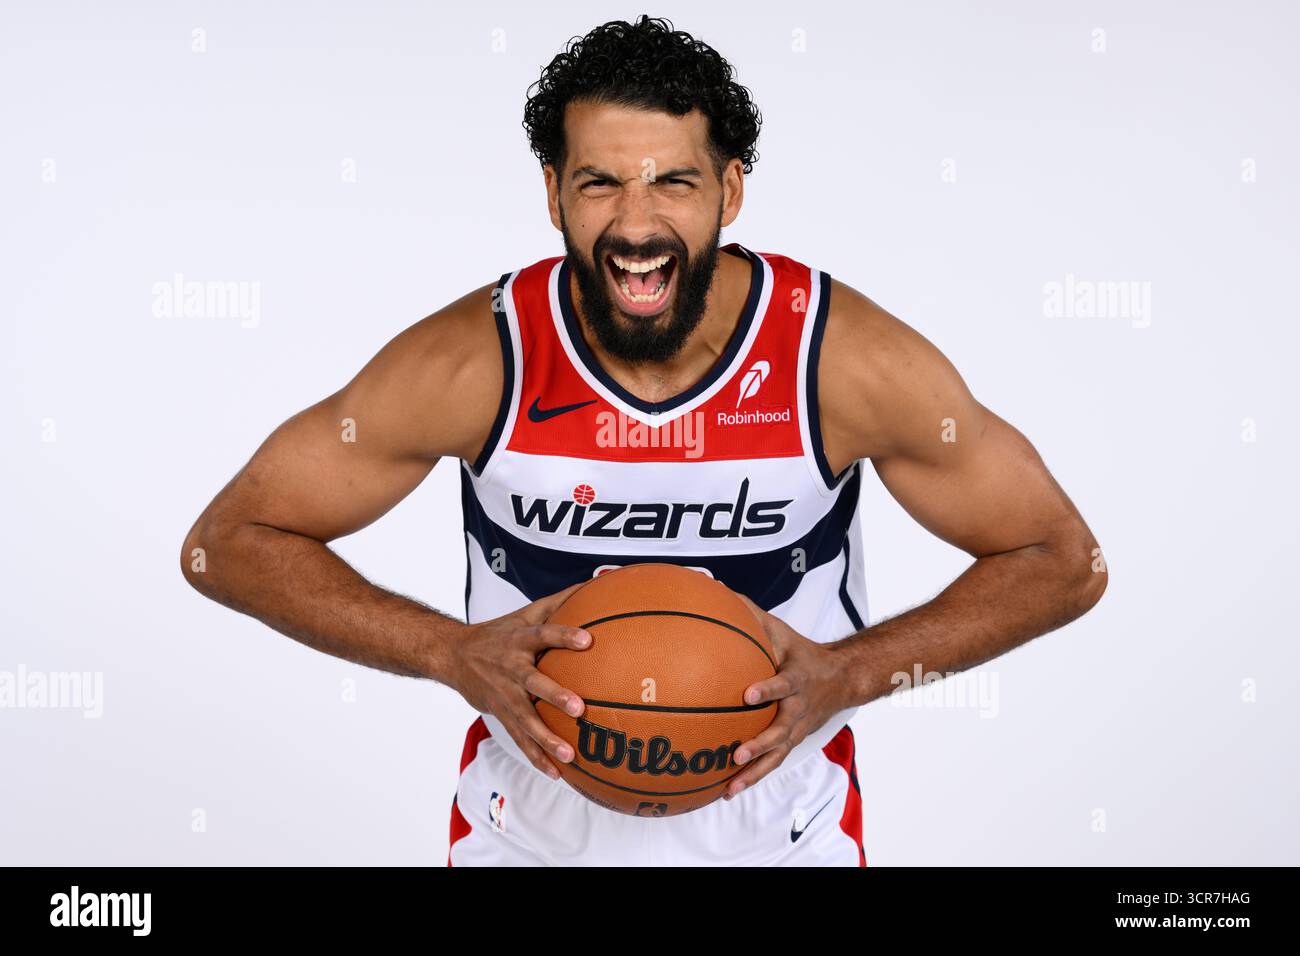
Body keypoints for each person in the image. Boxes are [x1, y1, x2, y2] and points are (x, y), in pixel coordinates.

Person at [181, 16, 1106, 866]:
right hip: (529, 829)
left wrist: (851, 675)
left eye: (673, 179)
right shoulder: (478, 360)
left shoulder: (837, 360)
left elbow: (1064, 559)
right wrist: (444, 651)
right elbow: (225, 545)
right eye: (598, 182)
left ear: (730, 189)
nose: (634, 223)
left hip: (782, 832)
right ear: (552, 192)